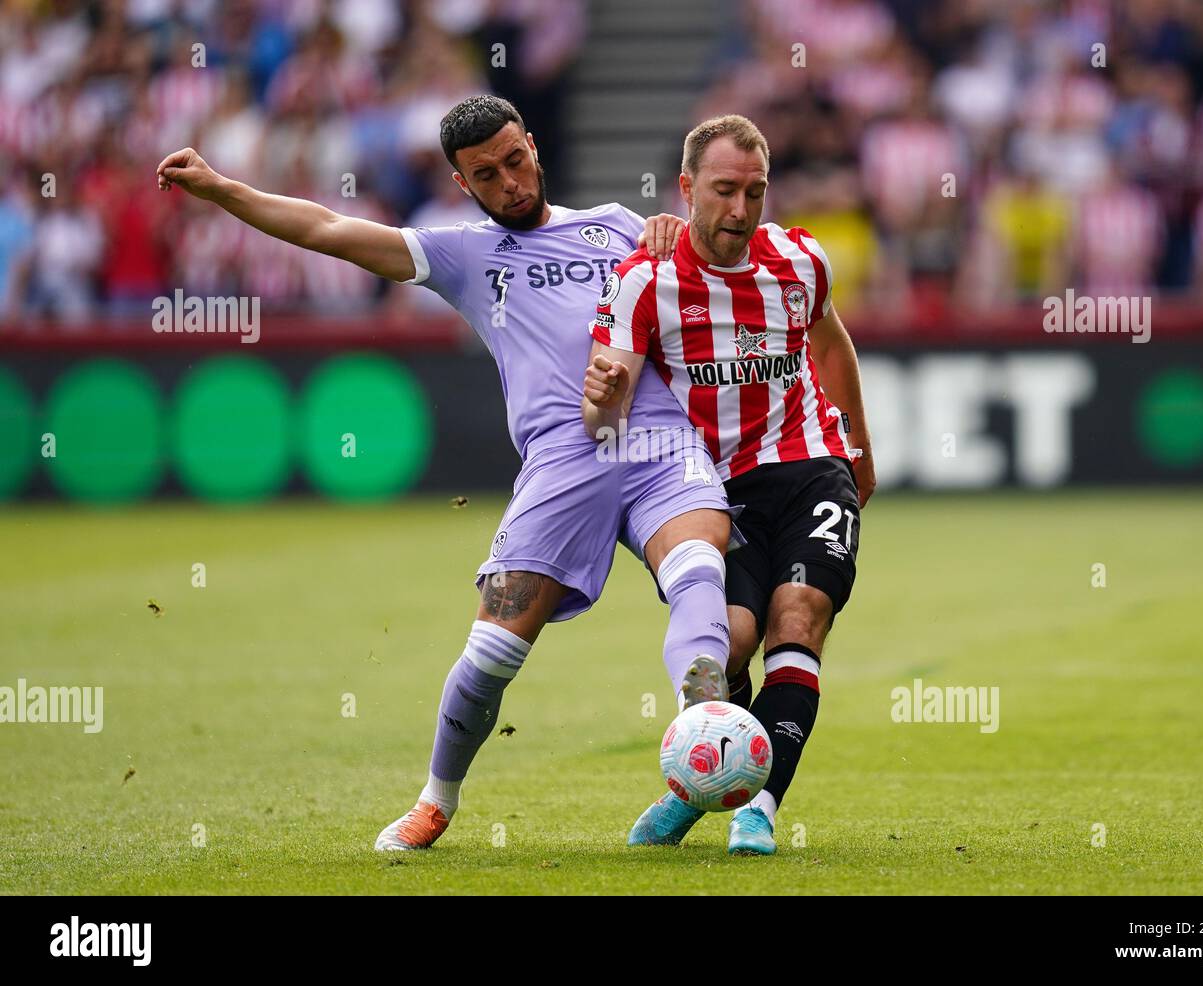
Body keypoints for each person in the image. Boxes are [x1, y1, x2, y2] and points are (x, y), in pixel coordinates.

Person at [157, 94, 735, 852]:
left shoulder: (619, 227)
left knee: (698, 572)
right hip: (565, 459)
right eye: (486, 175)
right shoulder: (464, 253)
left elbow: (722, 274)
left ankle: (706, 722)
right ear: (464, 185)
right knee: (493, 654)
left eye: (515, 162)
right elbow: (330, 230)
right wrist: (224, 188)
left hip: (658, 441)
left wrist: (677, 236)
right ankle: (438, 798)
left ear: (533, 144)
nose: (510, 184)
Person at [584, 114, 876, 855]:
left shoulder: (801, 261)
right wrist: (606, 394)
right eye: (723, 192)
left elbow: (830, 338)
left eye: (755, 191)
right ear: (686, 189)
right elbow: (603, 413)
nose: (741, 211)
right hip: (714, 493)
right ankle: (702, 782)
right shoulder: (645, 279)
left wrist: (860, 444)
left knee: (798, 619)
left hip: (810, 465)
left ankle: (762, 807)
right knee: (731, 644)